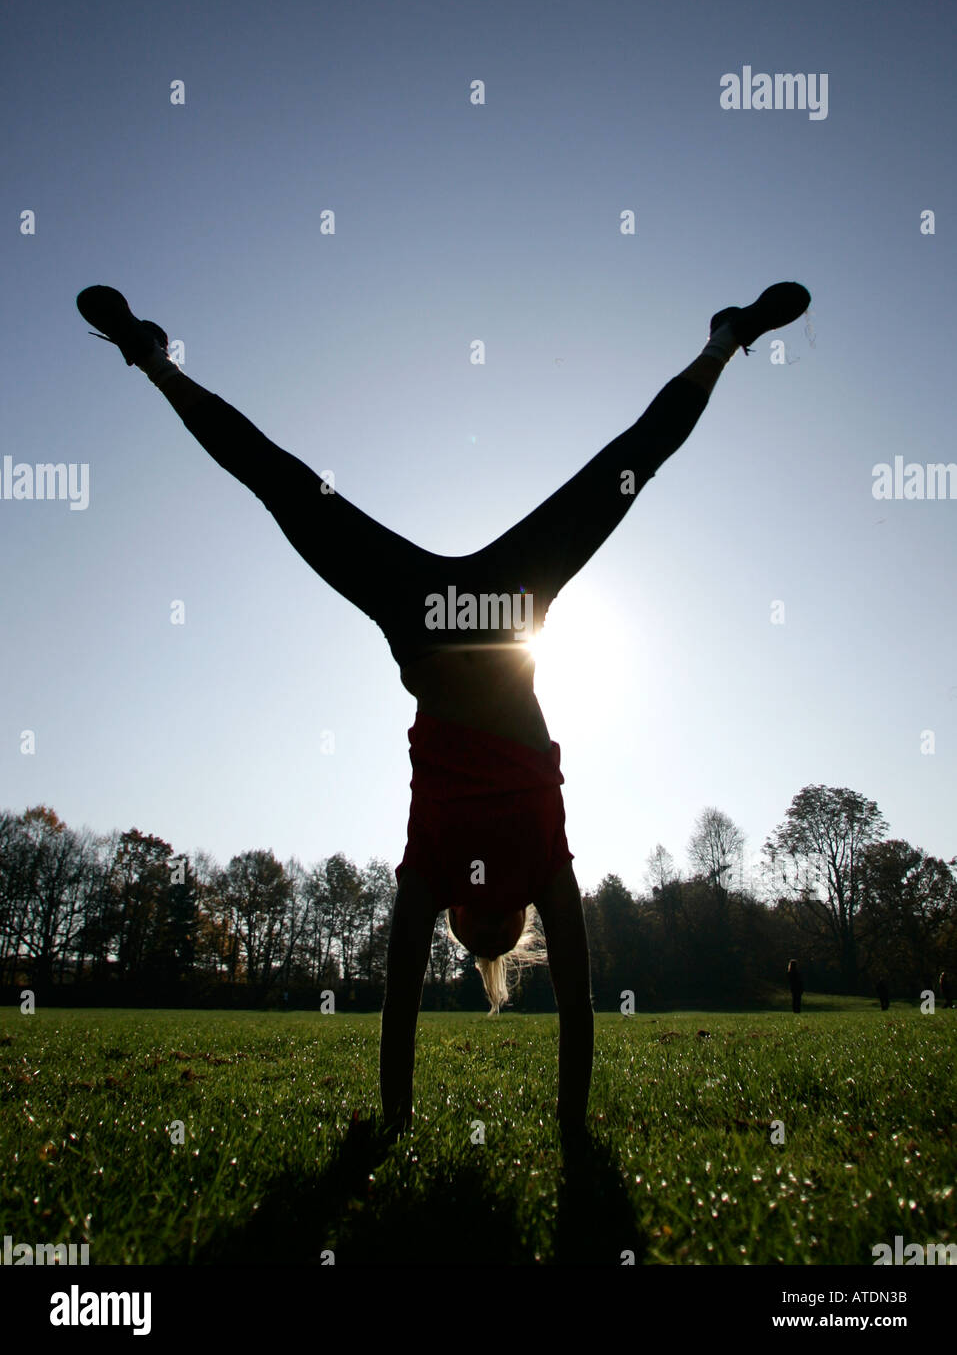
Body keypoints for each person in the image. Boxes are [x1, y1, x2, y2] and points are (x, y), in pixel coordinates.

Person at [77, 279, 811, 1142]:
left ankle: (152, 357)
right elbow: (558, 1005)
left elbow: (434, 1007)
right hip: (494, 612)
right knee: (628, 462)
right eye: (500, 928)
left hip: (439, 615)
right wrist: (558, 1129)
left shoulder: (467, 874)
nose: (488, 914)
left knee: (281, 481)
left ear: (462, 925)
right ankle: (725, 338)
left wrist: (402, 1122)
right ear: (506, 924)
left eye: (478, 928)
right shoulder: (519, 872)